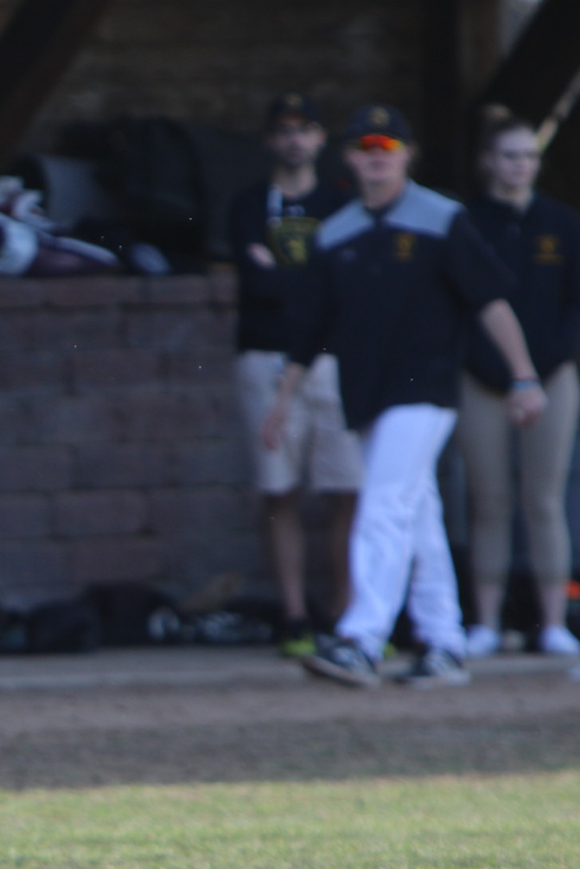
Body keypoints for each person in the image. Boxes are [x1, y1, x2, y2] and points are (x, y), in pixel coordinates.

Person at [272, 105, 545, 689]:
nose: (378, 154)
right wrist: (282, 401)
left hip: (426, 388)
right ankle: (444, 642)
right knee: (415, 515)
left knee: (383, 504)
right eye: (367, 145)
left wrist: (523, 376)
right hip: (368, 391)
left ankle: (363, 638)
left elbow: (490, 300)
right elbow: (311, 328)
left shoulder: (441, 217)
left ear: (407, 155)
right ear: (349, 156)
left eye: (389, 145)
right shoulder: (337, 232)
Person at [229, 93, 359, 656]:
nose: (295, 140)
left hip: (331, 361)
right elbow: (255, 286)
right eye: (284, 130)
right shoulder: (247, 204)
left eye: (306, 129)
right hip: (265, 357)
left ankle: (347, 614)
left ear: (321, 139)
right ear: (268, 139)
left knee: (346, 488)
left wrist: (287, 277)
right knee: (279, 487)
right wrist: (307, 282)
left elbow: (342, 288)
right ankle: (294, 615)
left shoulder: (339, 203)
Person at [458, 106, 580, 656]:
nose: (520, 167)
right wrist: (498, 371)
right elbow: (461, 305)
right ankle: (485, 621)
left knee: (545, 499)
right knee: (488, 498)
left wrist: (547, 367)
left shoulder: (562, 224)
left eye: (529, 156)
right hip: (483, 379)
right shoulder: (467, 224)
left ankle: (554, 621)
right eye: (509, 156)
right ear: (488, 161)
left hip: (552, 375)